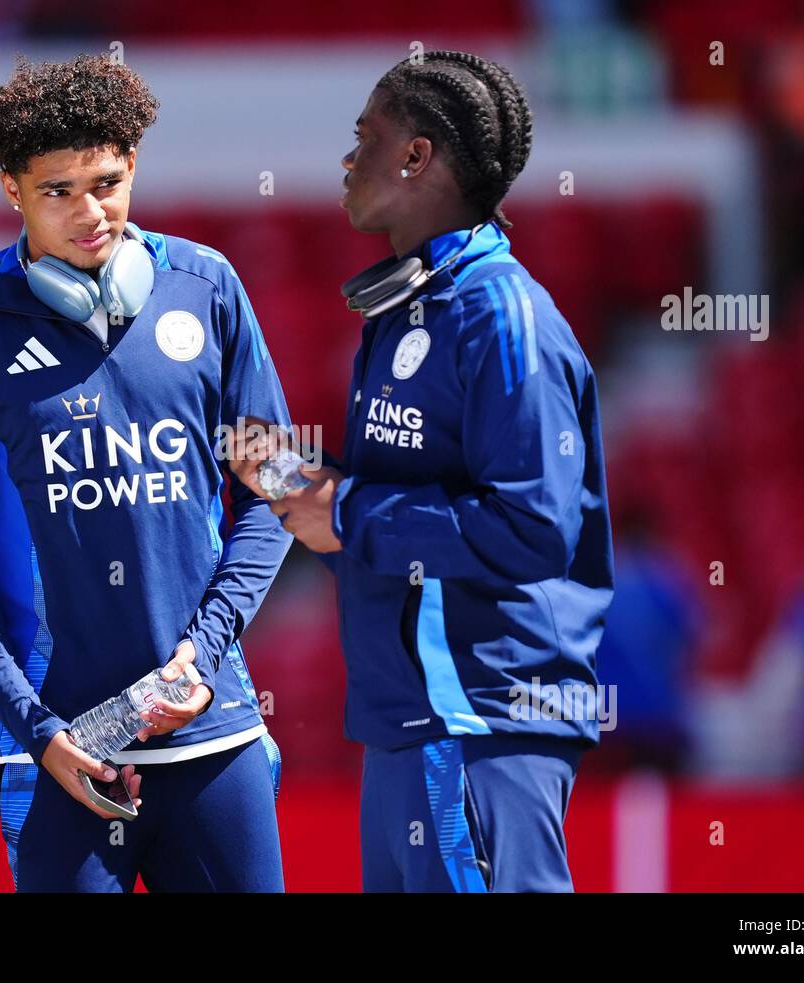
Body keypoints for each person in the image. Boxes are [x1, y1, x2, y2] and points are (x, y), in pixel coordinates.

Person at [0, 54, 292, 892]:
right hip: (59, 754)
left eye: (108, 182)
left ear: (135, 166)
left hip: (216, 737)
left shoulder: (209, 287)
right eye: (59, 191)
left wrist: (209, 643)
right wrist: (34, 726)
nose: (92, 213)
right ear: (10, 189)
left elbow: (275, 490)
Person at [233, 51, 614, 892]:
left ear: (418, 157)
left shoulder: (503, 316)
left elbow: (533, 527)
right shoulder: (407, 310)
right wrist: (285, 474)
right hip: (411, 726)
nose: (347, 159)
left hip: (478, 718)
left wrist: (352, 510)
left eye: (365, 136)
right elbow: (382, 521)